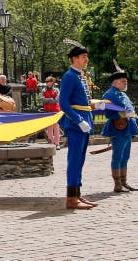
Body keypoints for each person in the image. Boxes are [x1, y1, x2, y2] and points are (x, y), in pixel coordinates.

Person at [59, 44, 97, 210]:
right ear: (74, 59)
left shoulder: (80, 76)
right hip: (76, 124)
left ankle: (77, 194)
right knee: (74, 160)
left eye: (86, 57)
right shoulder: (69, 76)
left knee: (79, 160)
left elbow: (82, 100)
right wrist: (78, 120)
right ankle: (71, 199)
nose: (86, 60)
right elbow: (63, 103)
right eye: (83, 57)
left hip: (84, 120)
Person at [101, 71, 138, 192]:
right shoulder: (109, 94)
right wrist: (122, 113)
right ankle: (117, 184)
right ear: (115, 82)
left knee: (125, 157)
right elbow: (108, 113)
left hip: (128, 128)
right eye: (123, 81)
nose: (125, 83)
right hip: (118, 128)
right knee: (117, 157)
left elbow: (130, 112)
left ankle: (124, 182)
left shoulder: (123, 94)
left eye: (125, 81)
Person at [42, 77, 61, 148]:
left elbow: (56, 100)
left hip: (55, 110)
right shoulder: (44, 90)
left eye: (48, 82)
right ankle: (51, 143)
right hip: (47, 110)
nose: (47, 83)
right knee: (49, 127)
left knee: (56, 127)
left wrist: (47, 100)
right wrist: (50, 99)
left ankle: (57, 143)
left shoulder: (56, 90)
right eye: (46, 82)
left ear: (52, 82)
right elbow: (42, 99)